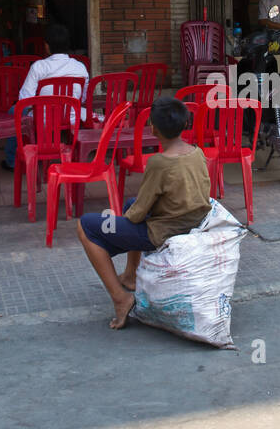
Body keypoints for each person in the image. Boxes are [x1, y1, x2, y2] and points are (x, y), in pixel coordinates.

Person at [76, 97, 211, 330]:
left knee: (87, 225)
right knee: (129, 203)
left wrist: (116, 224)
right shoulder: (196, 152)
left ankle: (121, 298)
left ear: (153, 129)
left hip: (163, 230)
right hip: (192, 221)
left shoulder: (160, 162)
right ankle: (130, 275)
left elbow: (138, 215)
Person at [2, 25, 89, 170]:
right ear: (68, 45)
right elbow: (83, 98)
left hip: (41, 119)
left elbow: (25, 99)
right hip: (70, 118)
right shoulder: (80, 67)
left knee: (14, 111)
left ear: (47, 46)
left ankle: (12, 161)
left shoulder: (39, 67)